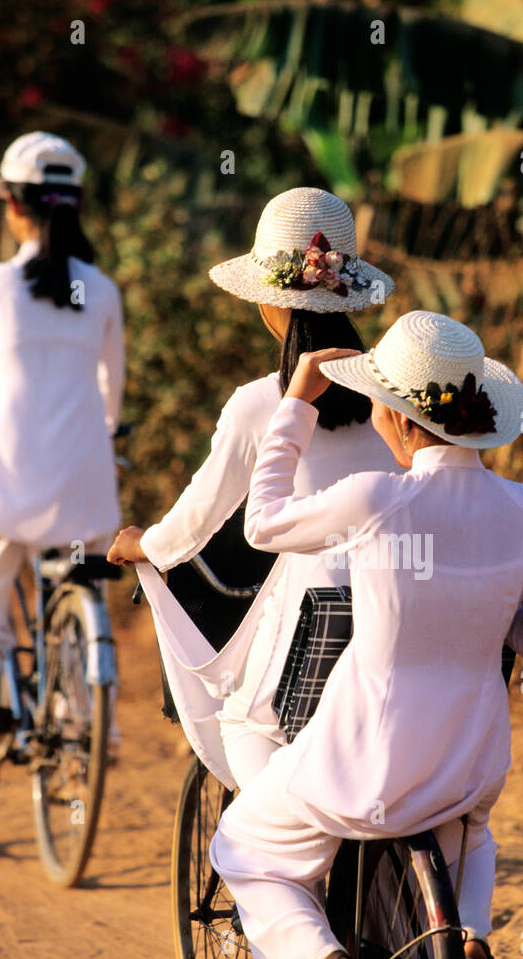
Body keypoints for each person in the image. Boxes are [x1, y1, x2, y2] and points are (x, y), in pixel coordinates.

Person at [208, 309, 523, 959]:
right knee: (471, 832)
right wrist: (484, 611)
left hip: (359, 769)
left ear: (393, 413)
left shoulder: (375, 499)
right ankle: (470, 945)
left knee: (240, 847)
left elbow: (261, 523)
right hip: (466, 763)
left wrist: (299, 401)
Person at [108, 187, 398, 791]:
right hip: (396, 623)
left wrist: (143, 544)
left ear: (272, 306)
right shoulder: (395, 403)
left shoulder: (259, 405)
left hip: (308, 642)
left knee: (244, 739)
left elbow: (194, 524)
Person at [0, 132, 124, 754]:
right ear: (74, 207)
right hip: (82, 481)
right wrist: (107, 433)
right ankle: (85, 715)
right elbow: (111, 397)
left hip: (5, 475)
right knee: (76, 577)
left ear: (14, 206)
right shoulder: (102, 291)